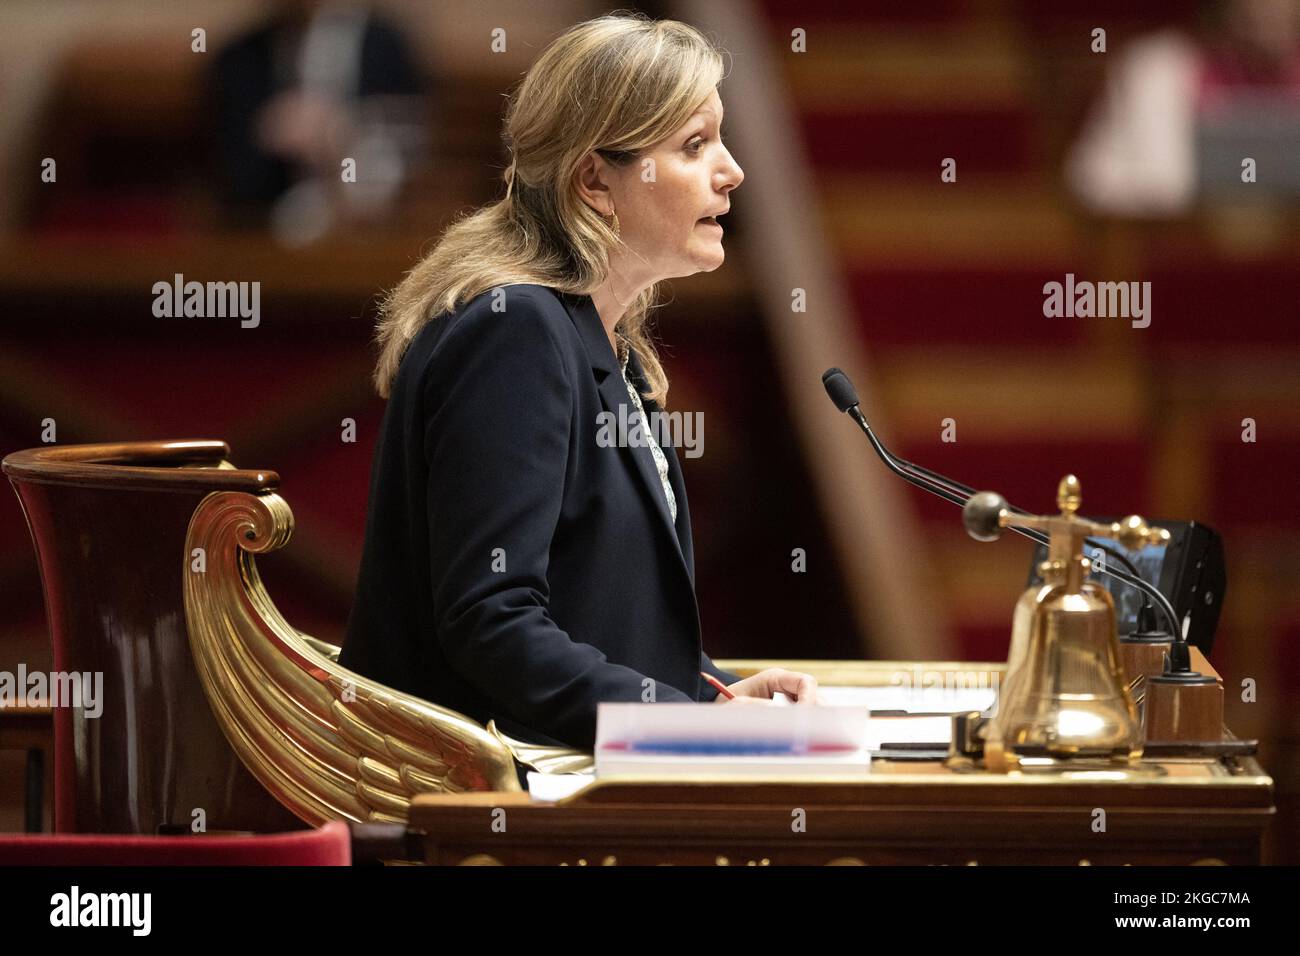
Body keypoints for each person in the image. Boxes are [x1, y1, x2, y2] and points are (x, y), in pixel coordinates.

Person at [340, 13, 821, 755]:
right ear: (595, 180)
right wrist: (689, 726)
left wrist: (707, 691)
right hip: (483, 806)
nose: (732, 171)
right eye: (695, 145)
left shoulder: (602, 343)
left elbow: (593, 613)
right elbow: (491, 620)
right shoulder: (516, 332)